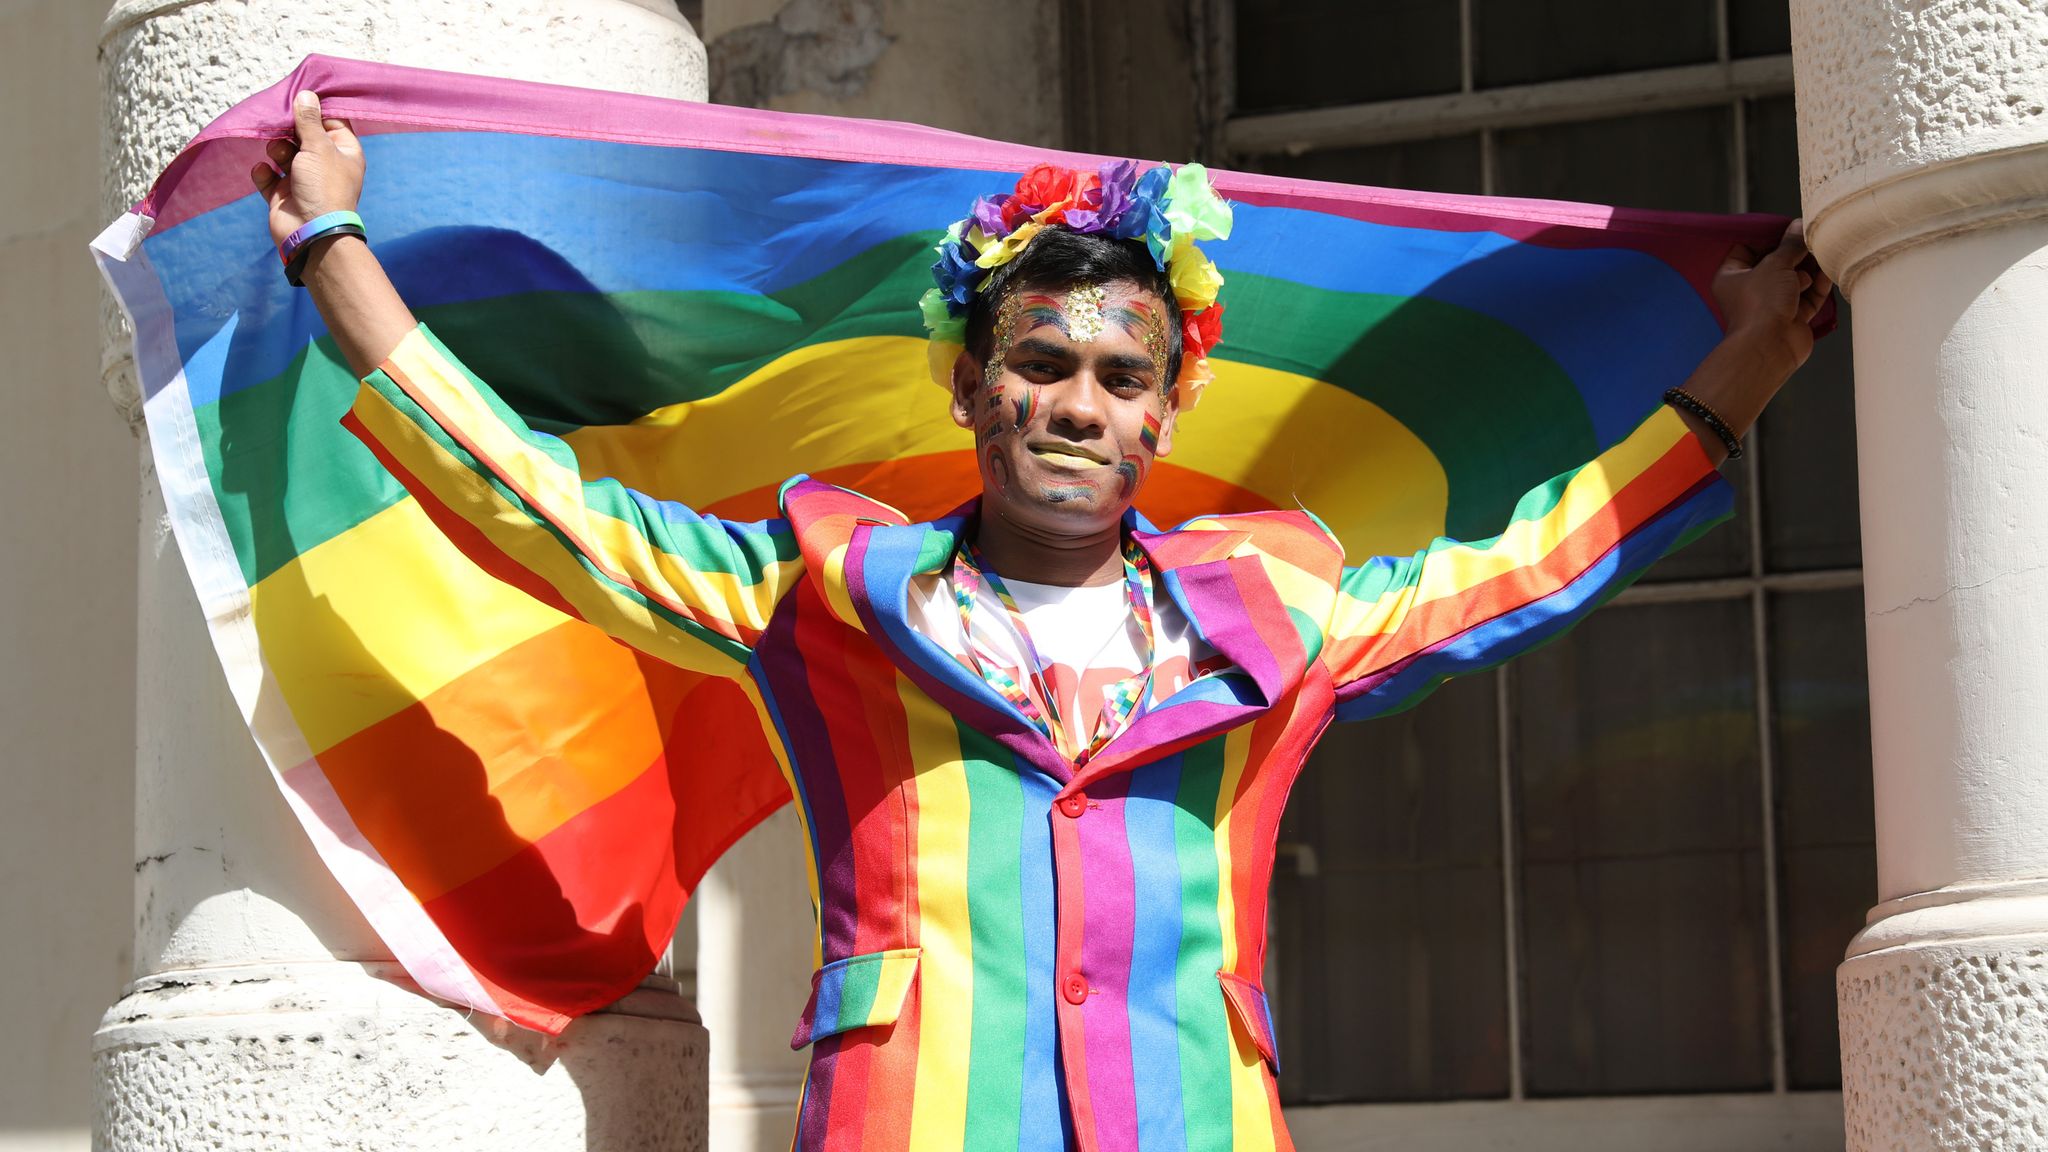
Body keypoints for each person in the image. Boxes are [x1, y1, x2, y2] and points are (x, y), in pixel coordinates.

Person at [254, 90, 1832, 1152]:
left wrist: (1748, 365)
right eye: (1041, 363)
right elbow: (543, 504)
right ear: (970, 384)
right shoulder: (826, 593)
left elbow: (1534, 561)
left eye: (1121, 376)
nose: (1078, 405)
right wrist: (335, 254)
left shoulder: (1278, 617)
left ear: (1166, 412)